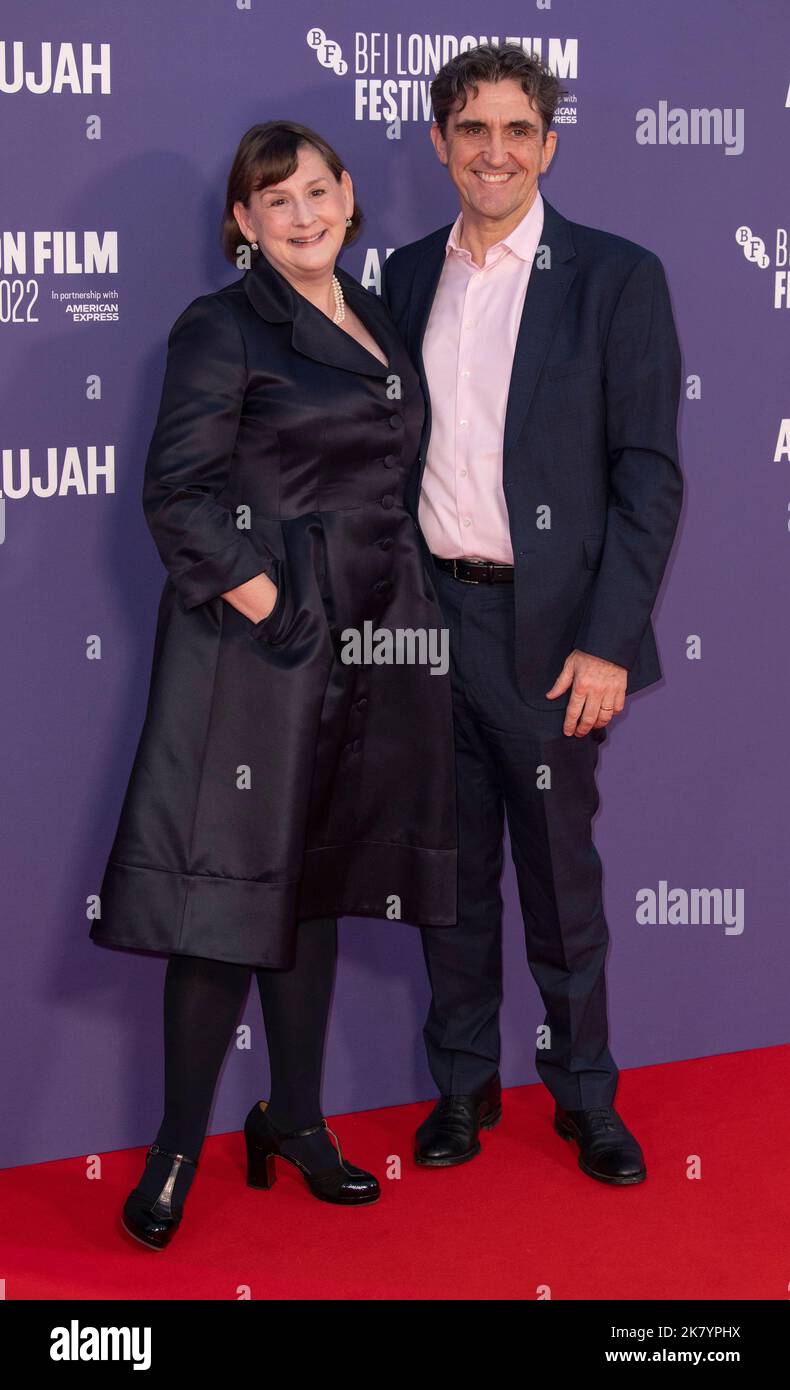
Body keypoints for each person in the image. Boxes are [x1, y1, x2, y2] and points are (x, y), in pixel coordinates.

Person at [90, 120, 457, 1248]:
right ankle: (173, 1152)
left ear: (348, 195)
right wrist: (277, 606)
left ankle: (294, 1123)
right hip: (258, 654)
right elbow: (180, 496)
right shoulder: (221, 326)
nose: (301, 216)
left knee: (315, 884)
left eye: (314, 192)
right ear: (243, 224)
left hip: (374, 643)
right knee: (227, 896)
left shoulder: (379, 317)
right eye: (274, 202)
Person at [382, 44, 682, 1184]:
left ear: (548, 145)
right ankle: (461, 1090)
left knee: (562, 886)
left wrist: (608, 640)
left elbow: (648, 476)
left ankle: (586, 1100)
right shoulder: (405, 277)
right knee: (445, 877)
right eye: (471, 130)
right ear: (440, 145)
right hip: (426, 629)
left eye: (516, 130)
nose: (493, 152)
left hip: (553, 640)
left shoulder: (614, 276)